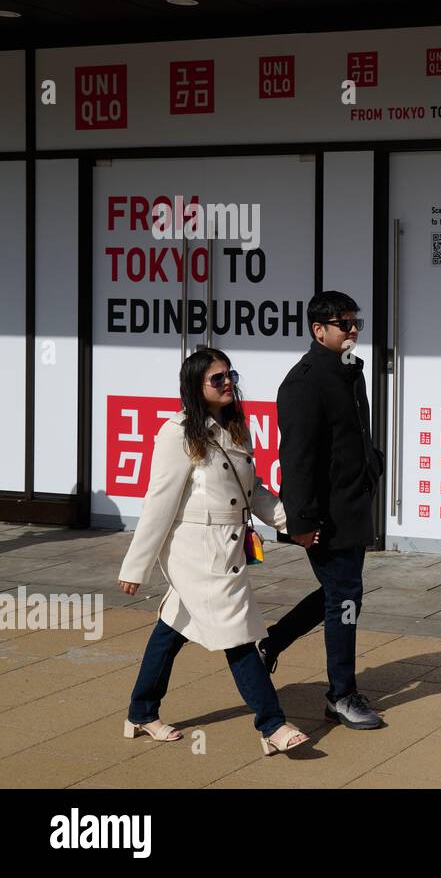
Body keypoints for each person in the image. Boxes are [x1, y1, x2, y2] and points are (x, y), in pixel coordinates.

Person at [117, 347, 314, 755]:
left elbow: (251, 491)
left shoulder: (236, 426)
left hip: (228, 547)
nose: (228, 384)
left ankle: (140, 711)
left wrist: (289, 524)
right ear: (195, 386)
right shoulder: (178, 432)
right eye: (217, 379)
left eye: (230, 375)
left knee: (171, 629)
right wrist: (135, 567)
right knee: (238, 635)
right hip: (194, 549)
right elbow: (159, 501)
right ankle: (272, 725)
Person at [258, 291, 384, 730]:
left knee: (341, 592)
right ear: (318, 329)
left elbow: (354, 435)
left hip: (353, 505)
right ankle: (341, 695)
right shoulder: (304, 382)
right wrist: (302, 521)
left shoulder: (350, 371)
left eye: (355, 322)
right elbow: (297, 458)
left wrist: (373, 465)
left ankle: (269, 644)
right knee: (345, 595)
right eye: (343, 323)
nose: (352, 330)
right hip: (326, 516)